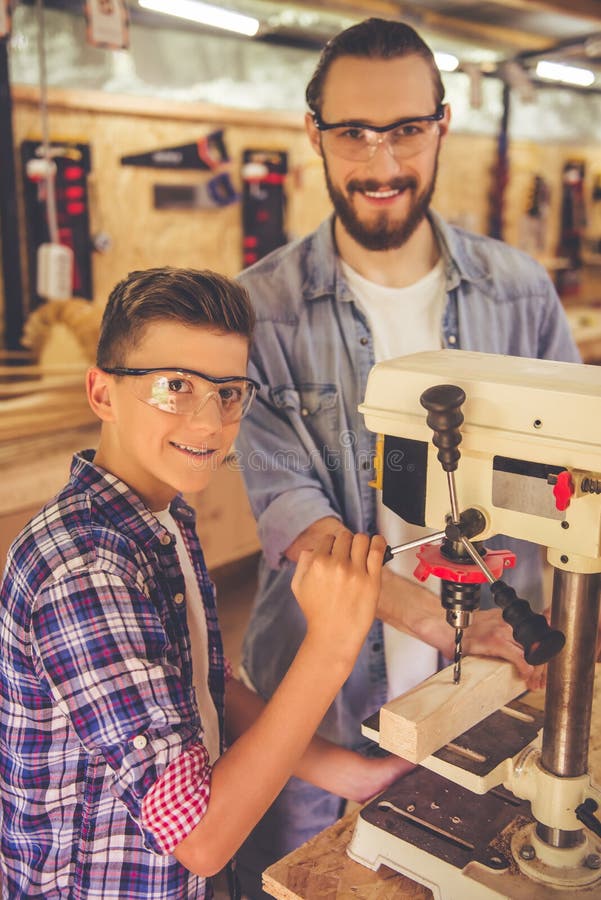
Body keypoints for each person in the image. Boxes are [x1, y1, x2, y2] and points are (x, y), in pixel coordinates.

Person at [234, 17, 581, 898]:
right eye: (353, 131)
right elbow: (296, 522)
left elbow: (574, 482)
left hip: (495, 694)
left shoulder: (519, 293)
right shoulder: (259, 313)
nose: (381, 161)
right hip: (322, 720)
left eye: (406, 130)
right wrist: (440, 620)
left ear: (442, 124)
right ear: (313, 131)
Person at [0, 267, 413, 899]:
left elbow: (202, 687)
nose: (208, 422)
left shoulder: (163, 519)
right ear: (102, 394)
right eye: (175, 387)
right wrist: (331, 644)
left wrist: (349, 775)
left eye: (228, 392)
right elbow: (200, 838)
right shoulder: (86, 571)